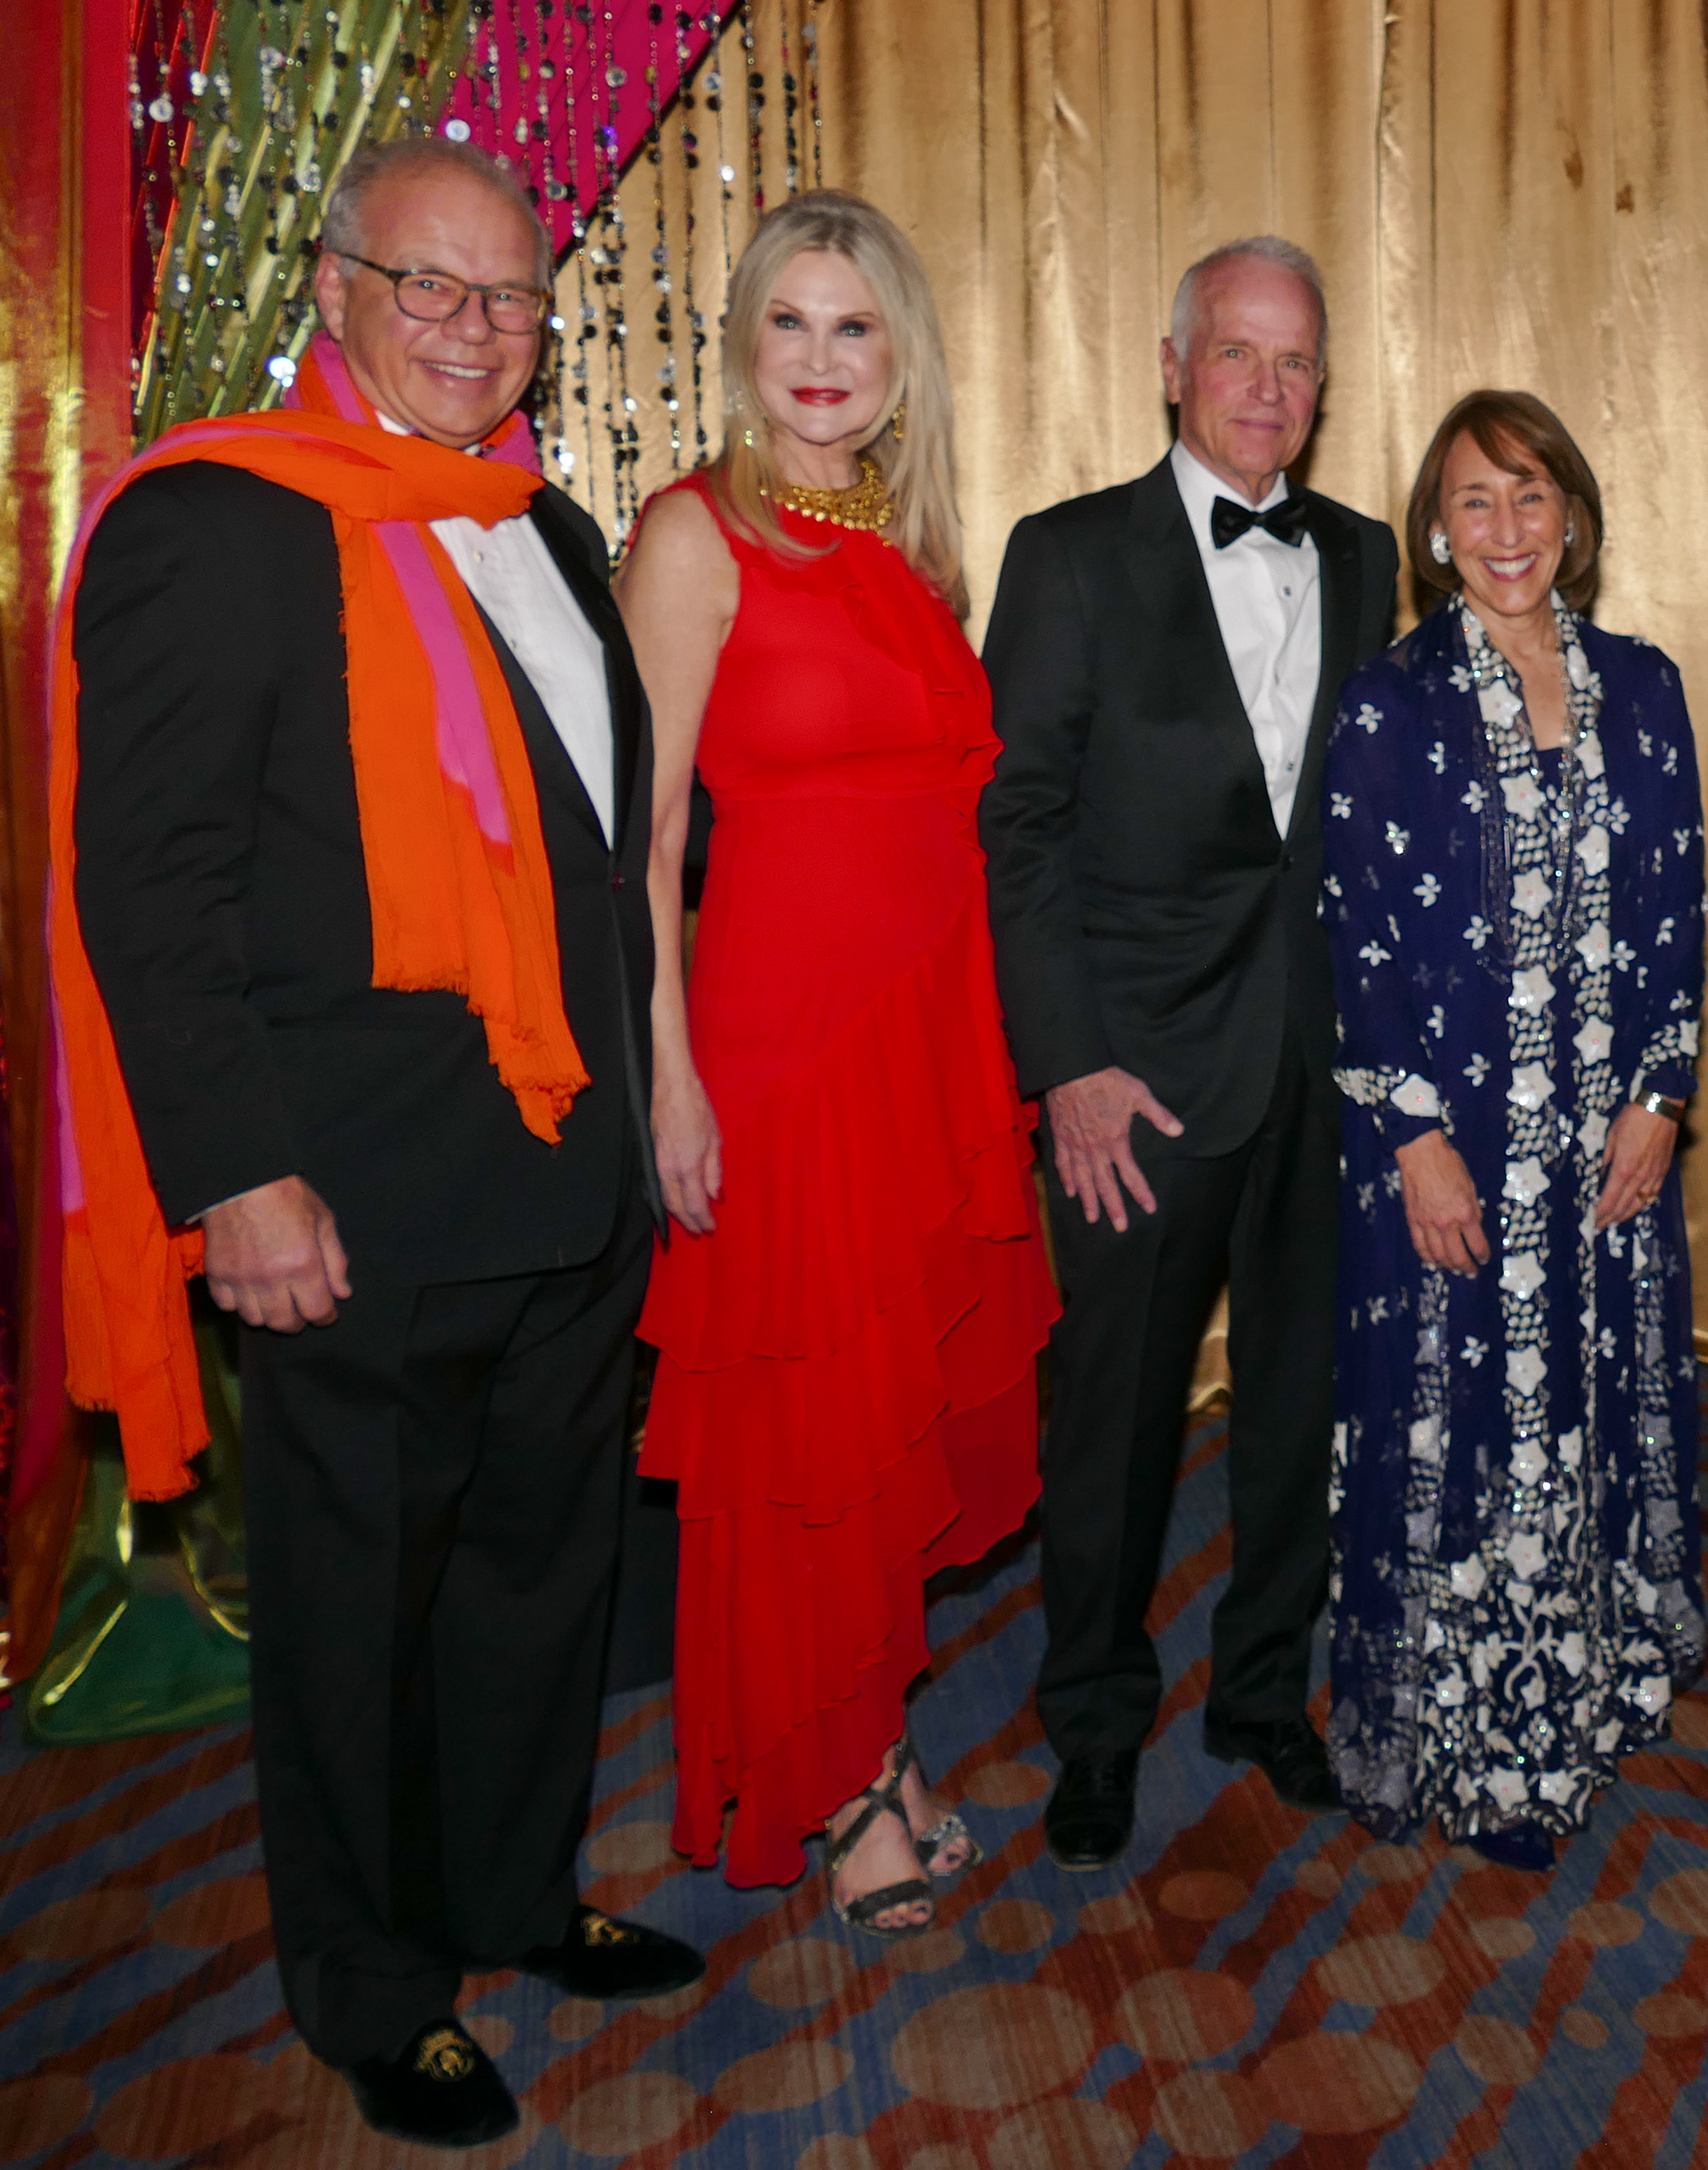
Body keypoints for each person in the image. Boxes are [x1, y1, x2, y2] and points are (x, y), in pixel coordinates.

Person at [53, 135, 699, 2148]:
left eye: (506, 296)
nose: (470, 328)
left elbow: (606, 871)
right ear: (331, 289)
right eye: (428, 285)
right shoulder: (229, 522)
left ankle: (509, 1894)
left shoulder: (554, 528)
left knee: (534, 1572)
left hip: (564, 1181)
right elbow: (146, 888)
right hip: (347, 1202)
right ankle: (366, 1983)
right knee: (351, 1611)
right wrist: (232, 1173)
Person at [617, 192, 1056, 1937]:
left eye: (853, 329)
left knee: (887, 1428)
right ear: (744, 345)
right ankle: (847, 1783)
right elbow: (644, 843)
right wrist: (669, 1077)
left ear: (900, 358)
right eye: (788, 326)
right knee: (807, 1429)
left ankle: (872, 1733)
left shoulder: (915, 549)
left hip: (929, 1059)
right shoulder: (689, 539)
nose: (819, 363)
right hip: (783, 1062)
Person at [981, 238, 1399, 1864]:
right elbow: (1014, 825)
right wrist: (1067, 1059)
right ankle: (1091, 1719)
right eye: (1237, 354)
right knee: (1115, 1421)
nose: (1269, 389)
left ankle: (1263, 1689)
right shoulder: (1072, 555)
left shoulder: (1363, 554)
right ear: (1172, 366)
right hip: (1136, 1081)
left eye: (1297, 362)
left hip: (1330, 1066)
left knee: (1304, 1402)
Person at [1321, 392, 1706, 1869]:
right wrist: (1414, 1139)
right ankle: (1468, 1738)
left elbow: (1682, 913)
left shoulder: (1646, 684)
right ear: (1434, 529)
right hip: (1454, 1152)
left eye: (1532, 497)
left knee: (1588, 1416)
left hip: (1605, 1149)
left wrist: (1664, 1099)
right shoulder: (1391, 701)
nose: (1506, 531)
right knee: (1461, 1425)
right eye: (1475, 503)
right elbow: (1355, 934)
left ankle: (1577, 1707)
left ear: (1575, 516)